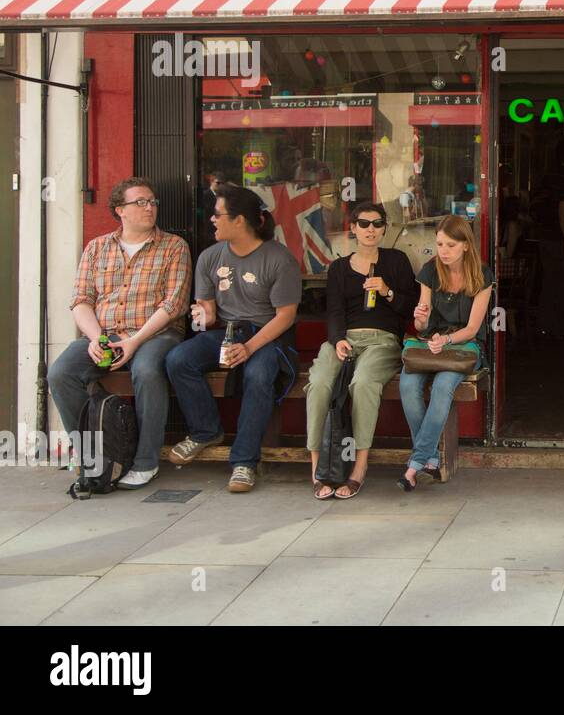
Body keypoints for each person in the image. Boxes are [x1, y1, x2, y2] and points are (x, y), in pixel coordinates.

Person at [48, 178, 191, 490]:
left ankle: (145, 462)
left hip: (156, 334)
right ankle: (94, 456)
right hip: (104, 333)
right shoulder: (97, 247)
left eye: (152, 202)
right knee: (60, 373)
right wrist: (96, 338)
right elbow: (81, 300)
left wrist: (135, 340)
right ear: (120, 210)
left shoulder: (173, 246)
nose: (149, 207)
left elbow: (174, 304)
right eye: (140, 202)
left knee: (147, 371)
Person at [165, 184, 302, 493]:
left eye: (218, 214)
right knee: (178, 359)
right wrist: (202, 316)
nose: (212, 220)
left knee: (258, 375)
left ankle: (244, 461)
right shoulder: (209, 257)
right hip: (226, 332)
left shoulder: (279, 259)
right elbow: (208, 313)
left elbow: (285, 316)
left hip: (267, 335)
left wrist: (249, 348)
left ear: (239, 220)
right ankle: (205, 431)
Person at [305, 203, 417, 500]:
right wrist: (337, 339)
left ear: (384, 228)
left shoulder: (396, 261)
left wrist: (387, 292)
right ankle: (317, 468)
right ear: (353, 228)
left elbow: (411, 308)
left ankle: (359, 465)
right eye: (364, 224)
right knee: (319, 384)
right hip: (345, 339)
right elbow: (334, 311)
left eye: (377, 224)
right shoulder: (339, 268)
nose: (370, 229)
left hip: (382, 340)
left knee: (364, 383)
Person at [398, 214, 494, 490]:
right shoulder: (430, 270)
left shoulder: (482, 275)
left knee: (442, 387)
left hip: (463, 346)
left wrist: (447, 340)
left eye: (451, 245)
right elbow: (422, 324)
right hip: (431, 343)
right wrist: (420, 319)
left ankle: (416, 463)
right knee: (407, 385)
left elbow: (473, 328)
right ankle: (429, 459)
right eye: (440, 244)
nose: (444, 251)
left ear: (466, 245)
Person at [533, 139, 564, 339]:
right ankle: (562, 329)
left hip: (544, 237)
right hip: (559, 240)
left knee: (549, 283)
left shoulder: (547, 177)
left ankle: (544, 326)